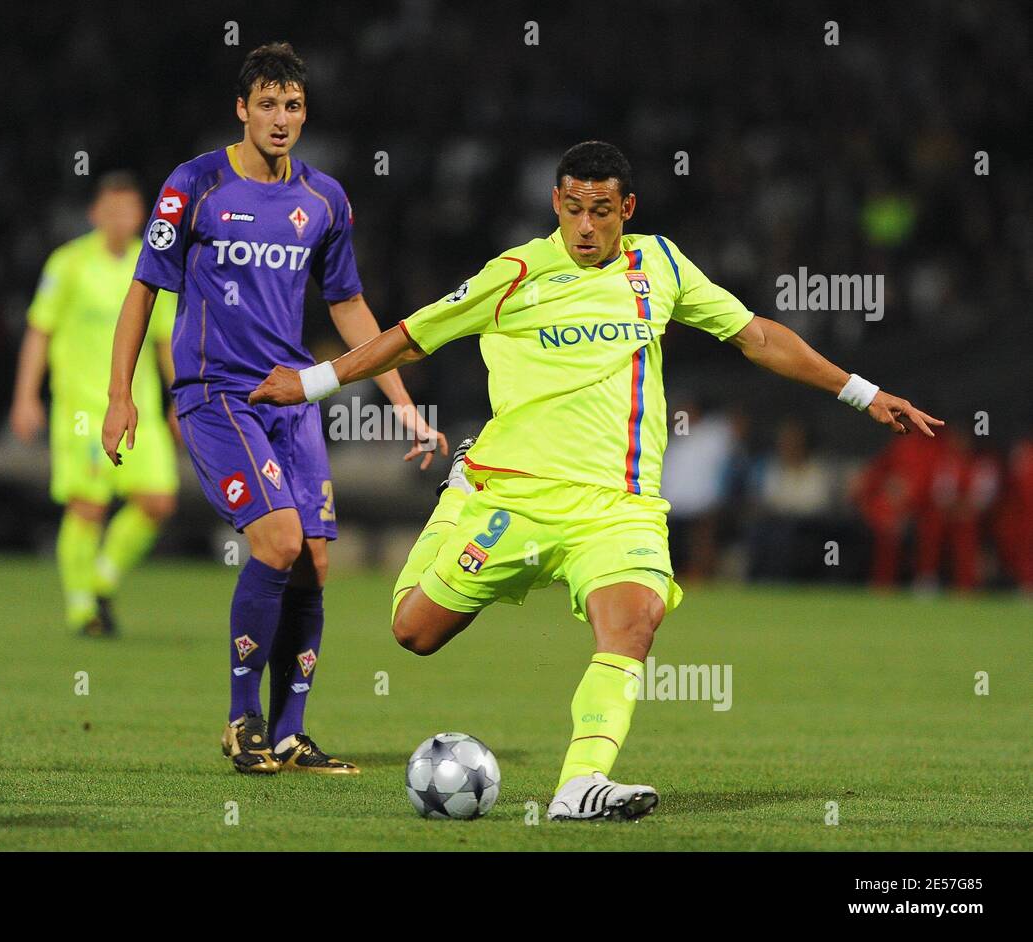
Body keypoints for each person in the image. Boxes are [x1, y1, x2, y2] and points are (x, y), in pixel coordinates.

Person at [251, 140, 943, 820]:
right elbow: (410, 334)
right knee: (415, 632)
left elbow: (756, 335)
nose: (586, 226)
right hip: (514, 496)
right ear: (556, 202)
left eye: (602, 211)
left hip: (620, 507)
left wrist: (861, 391)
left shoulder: (661, 265)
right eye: (574, 209)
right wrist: (311, 383)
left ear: (627, 208)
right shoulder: (514, 274)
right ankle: (457, 493)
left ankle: (580, 784)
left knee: (635, 622)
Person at [102, 42, 446, 774]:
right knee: (280, 544)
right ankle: (240, 719)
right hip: (216, 394)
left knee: (314, 562)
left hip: (291, 399)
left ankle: (289, 733)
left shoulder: (323, 199)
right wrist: (118, 394)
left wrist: (402, 403)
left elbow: (350, 306)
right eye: (267, 104)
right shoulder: (192, 185)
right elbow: (143, 290)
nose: (281, 118)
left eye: (292, 105)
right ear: (242, 108)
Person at [12, 172, 178, 637]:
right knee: (87, 507)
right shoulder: (67, 264)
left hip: (137, 407)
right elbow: (39, 331)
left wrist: (178, 397)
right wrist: (26, 397)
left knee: (159, 502)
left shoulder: (152, 266)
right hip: (82, 411)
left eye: (130, 210)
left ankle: (102, 578)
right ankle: (82, 608)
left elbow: (164, 339)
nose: (122, 218)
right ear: (94, 214)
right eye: (113, 209)